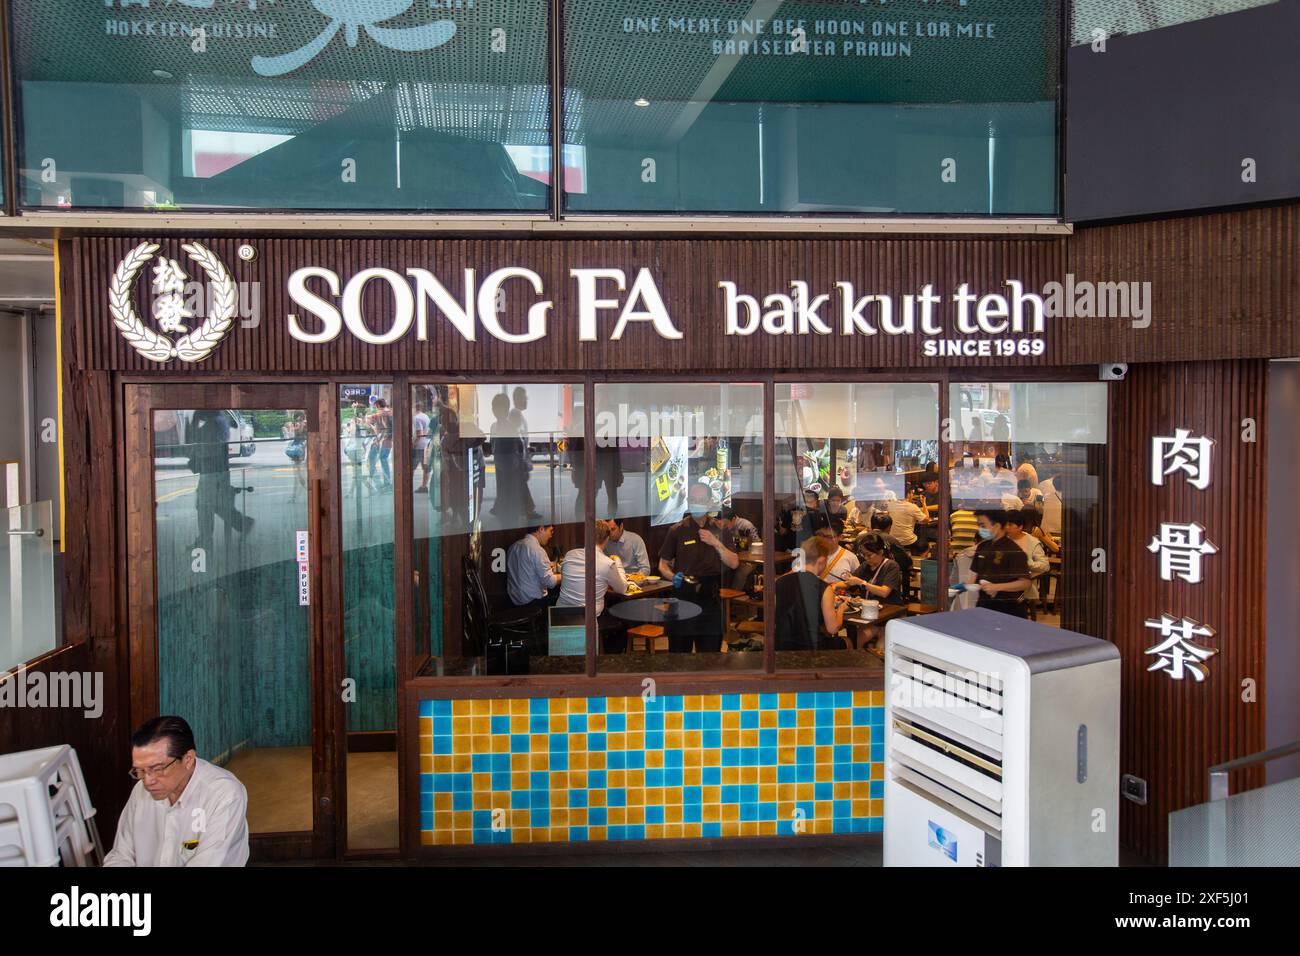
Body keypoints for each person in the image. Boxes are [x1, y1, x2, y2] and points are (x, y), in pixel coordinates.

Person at [103, 716, 249, 867]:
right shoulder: (141, 790)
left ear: (188, 759)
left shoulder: (225, 794)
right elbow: (120, 856)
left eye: (157, 769)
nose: (147, 781)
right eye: (140, 770)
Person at [658, 483, 740, 653]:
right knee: (679, 657)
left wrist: (715, 542)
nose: (696, 503)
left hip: (710, 598)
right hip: (682, 598)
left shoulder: (719, 529)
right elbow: (662, 564)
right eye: (693, 500)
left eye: (701, 500)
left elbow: (734, 563)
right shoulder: (677, 530)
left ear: (710, 502)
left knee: (710, 657)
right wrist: (672, 577)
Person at [556, 520, 630, 652]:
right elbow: (622, 588)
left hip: (560, 615)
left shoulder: (570, 554)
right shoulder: (607, 564)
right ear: (607, 539)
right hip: (586, 620)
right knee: (587, 667)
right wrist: (617, 562)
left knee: (563, 663)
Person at [190, 409, 254, 552]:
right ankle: (242, 524)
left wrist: (194, 421)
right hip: (216, 472)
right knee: (211, 505)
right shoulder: (219, 421)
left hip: (212, 472)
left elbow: (197, 441)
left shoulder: (213, 424)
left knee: (204, 506)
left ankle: (206, 540)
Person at [774, 535, 851, 651]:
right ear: (821, 560)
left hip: (781, 646)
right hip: (812, 649)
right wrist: (841, 610)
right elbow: (833, 629)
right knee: (847, 641)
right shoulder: (824, 588)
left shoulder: (779, 582)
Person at [962, 510, 1031, 618]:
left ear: (997, 526)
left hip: (1008, 610)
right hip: (984, 605)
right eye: (979, 525)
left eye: (983, 525)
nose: (980, 529)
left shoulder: (1013, 551)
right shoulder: (982, 547)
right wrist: (963, 586)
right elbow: (976, 576)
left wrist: (997, 587)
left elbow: (1025, 583)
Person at [489, 392, 527, 526]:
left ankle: (510, 521)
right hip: (500, 466)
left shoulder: (510, 427)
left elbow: (519, 446)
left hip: (511, 468)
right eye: (494, 407)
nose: (496, 410)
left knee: (510, 496)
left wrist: (518, 462)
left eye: (500, 407)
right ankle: (504, 519)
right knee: (502, 493)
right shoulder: (493, 426)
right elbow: (492, 445)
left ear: (506, 409)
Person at [507, 386, 542, 521]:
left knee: (521, 486)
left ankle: (526, 510)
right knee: (521, 485)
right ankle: (527, 511)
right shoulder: (515, 414)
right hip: (519, 461)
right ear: (518, 398)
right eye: (524, 397)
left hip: (520, 459)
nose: (527, 399)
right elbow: (516, 438)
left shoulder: (517, 414)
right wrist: (524, 455)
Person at [506, 523, 560, 608]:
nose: (551, 535)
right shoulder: (537, 550)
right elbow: (550, 582)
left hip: (514, 602)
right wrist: (565, 574)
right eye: (550, 531)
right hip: (533, 604)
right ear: (541, 529)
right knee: (560, 598)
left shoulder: (513, 547)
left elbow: (526, 570)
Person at [1003, 509, 1050, 603]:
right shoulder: (1001, 539)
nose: (1006, 528)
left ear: (1020, 527)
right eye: (1005, 525)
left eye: (1010, 525)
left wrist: (1027, 563)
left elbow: (1045, 566)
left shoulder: (1032, 542)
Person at [848, 532, 904, 604]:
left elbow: (884, 592)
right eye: (863, 554)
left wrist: (862, 583)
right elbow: (849, 583)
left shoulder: (891, 566)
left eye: (869, 555)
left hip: (889, 608)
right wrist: (834, 586)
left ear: (880, 552)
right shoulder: (865, 565)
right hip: (868, 606)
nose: (866, 558)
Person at [809, 513, 859, 585]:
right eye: (821, 535)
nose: (824, 540)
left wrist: (842, 586)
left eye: (829, 537)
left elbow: (857, 584)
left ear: (840, 537)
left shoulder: (850, 558)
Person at [412, 397, 431, 494]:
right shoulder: (426, 416)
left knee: (411, 467)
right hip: (426, 444)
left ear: (415, 408)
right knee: (426, 467)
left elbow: (419, 434)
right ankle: (424, 486)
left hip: (419, 446)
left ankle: (408, 486)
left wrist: (413, 444)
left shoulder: (416, 418)